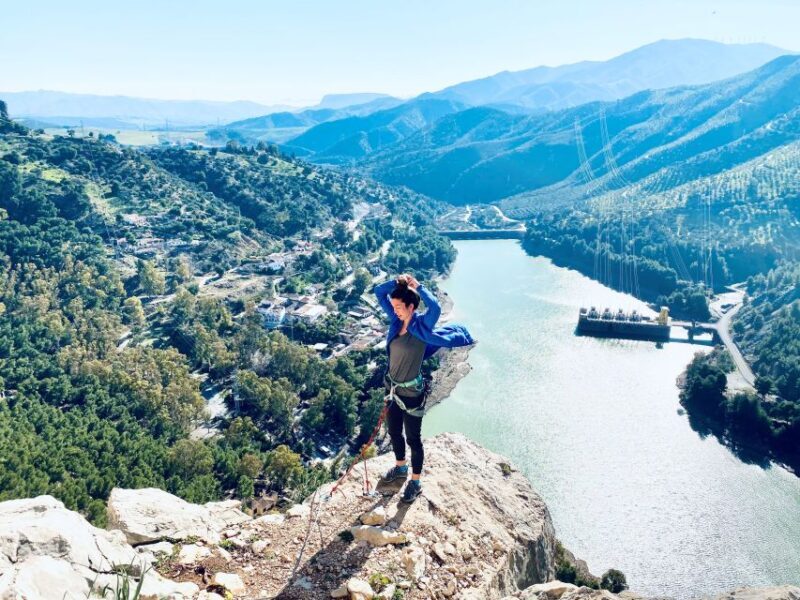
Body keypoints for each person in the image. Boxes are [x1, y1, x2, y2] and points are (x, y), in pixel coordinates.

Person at [373, 273, 474, 502]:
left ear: (411, 307)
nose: (395, 310)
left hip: (412, 393)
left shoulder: (421, 327)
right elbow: (379, 293)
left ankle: (415, 482)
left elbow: (435, 308)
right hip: (392, 389)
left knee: (413, 439)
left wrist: (418, 286)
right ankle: (400, 467)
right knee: (394, 432)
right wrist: (397, 283)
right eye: (394, 307)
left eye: (399, 307)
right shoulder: (396, 322)